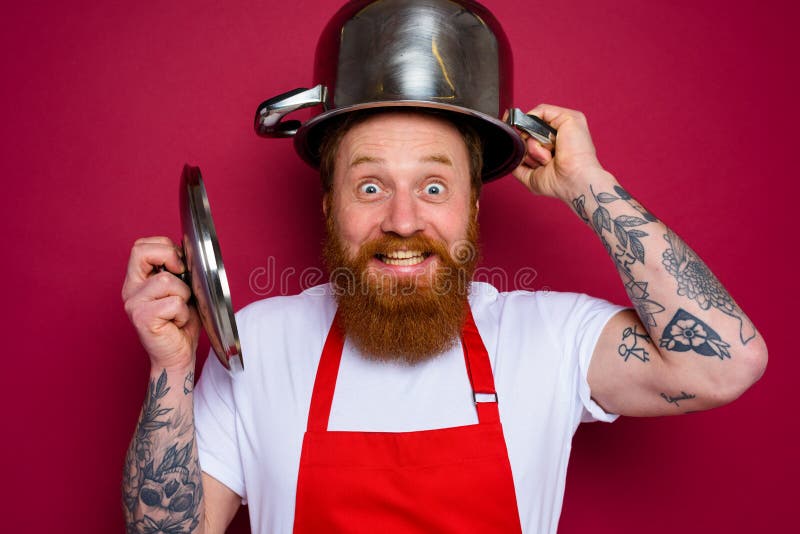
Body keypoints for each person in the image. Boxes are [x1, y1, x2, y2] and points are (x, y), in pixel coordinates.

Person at [121, 104, 767, 533]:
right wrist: (170, 369)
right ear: (328, 208)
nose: (403, 220)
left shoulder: (548, 338)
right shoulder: (258, 344)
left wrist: (587, 184)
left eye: (434, 188)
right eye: (370, 187)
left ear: (473, 210)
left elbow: (724, 364)